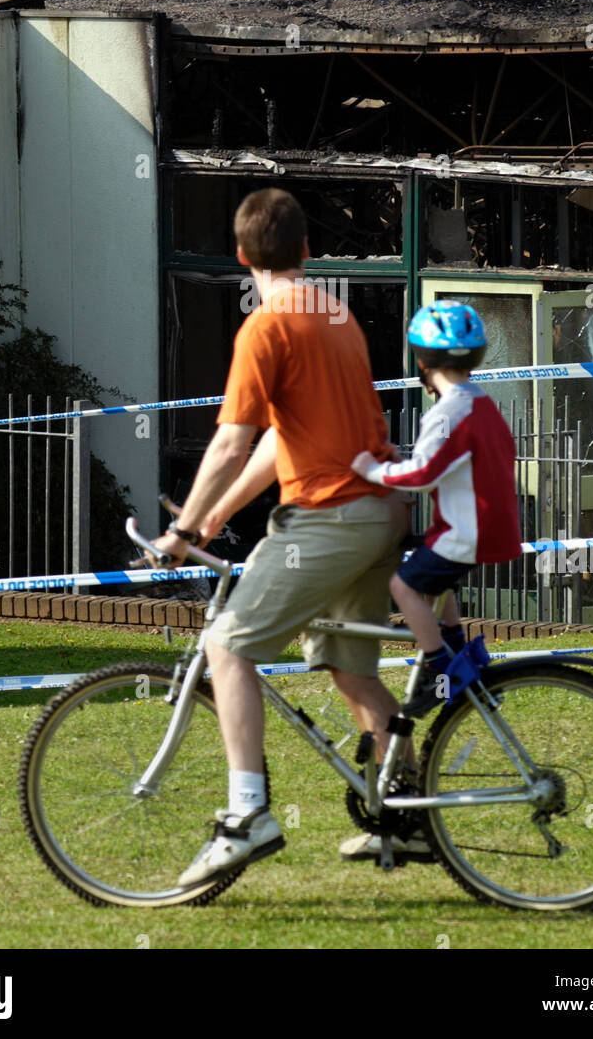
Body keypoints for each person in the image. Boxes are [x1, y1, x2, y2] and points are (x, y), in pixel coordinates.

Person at [147, 187, 409, 887]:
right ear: (306, 250)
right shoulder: (334, 313)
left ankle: (247, 816)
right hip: (380, 511)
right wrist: (211, 516)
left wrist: (178, 529)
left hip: (330, 518)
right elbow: (280, 440)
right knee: (350, 667)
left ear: (240, 256)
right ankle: (405, 808)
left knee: (227, 647)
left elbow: (234, 441)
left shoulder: (265, 328)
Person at [351, 300, 523, 719]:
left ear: (422, 361)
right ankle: (456, 651)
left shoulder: (448, 412)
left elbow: (424, 473)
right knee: (431, 583)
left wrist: (373, 470)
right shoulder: (483, 404)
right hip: (487, 528)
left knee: (404, 587)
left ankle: (438, 666)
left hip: (464, 532)